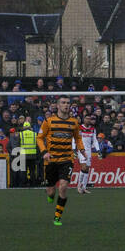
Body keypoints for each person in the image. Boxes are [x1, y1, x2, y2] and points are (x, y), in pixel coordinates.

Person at [38, 97, 85, 226]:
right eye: (63, 103)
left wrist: (81, 150)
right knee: (51, 191)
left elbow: (78, 138)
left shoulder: (74, 122)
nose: (66, 105)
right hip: (51, 160)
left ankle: (57, 217)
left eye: (68, 103)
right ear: (58, 106)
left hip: (67, 159)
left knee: (63, 187)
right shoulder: (48, 121)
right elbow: (40, 138)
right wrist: (44, 152)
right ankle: (50, 194)